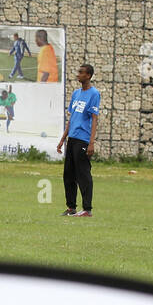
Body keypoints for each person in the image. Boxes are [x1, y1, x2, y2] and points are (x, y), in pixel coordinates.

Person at [57, 63, 101, 217]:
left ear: (88, 75)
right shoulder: (76, 94)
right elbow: (72, 118)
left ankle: (87, 209)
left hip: (83, 139)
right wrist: (63, 139)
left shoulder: (94, 94)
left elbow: (94, 119)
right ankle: (71, 207)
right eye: (78, 71)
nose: (78, 74)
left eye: (81, 72)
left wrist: (91, 143)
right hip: (72, 139)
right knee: (68, 174)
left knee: (83, 174)